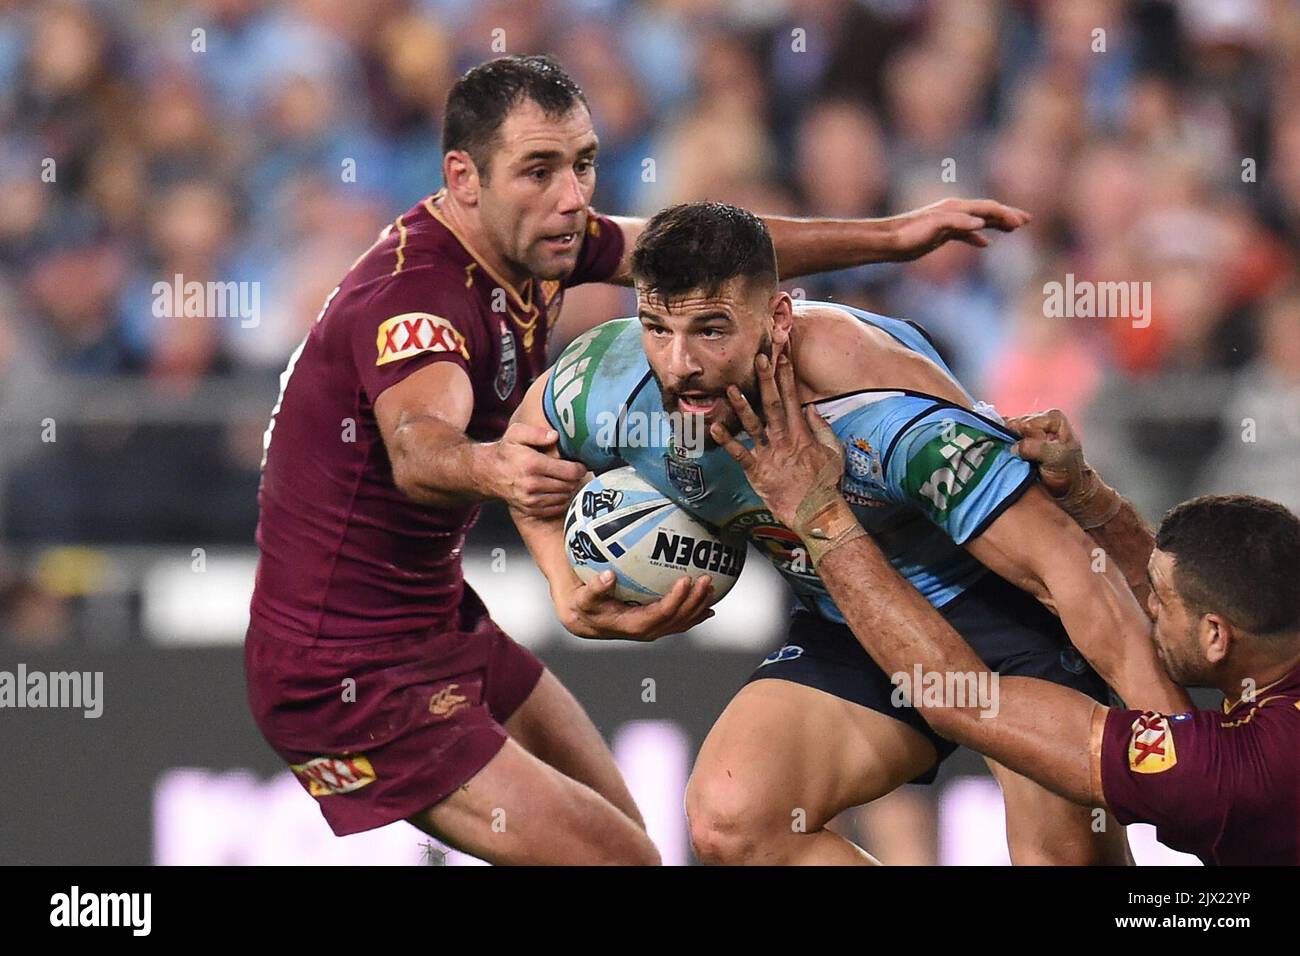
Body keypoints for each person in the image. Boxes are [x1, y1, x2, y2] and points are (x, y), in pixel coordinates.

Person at [244, 55, 1029, 865]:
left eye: (583, 164)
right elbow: (417, 445)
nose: (573, 196)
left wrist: (892, 238)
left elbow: (711, 259)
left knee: (629, 847)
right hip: (341, 669)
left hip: (439, 622)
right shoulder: (418, 296)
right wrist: (497, 468)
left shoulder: (533, 238)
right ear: (462, 177)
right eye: (540, 170)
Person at [511, 201, 1179, 865]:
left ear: (776, 318)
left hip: (999, 612)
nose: (679, 363)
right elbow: (524, 451)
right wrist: (561, 582)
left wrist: (1191, 762)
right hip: (851, 610)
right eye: (657, 327)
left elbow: (1067, 571)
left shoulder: (877, 399)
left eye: (711, 330)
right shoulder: (608, 383)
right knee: (733, 820)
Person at [712, 354, 1300, 865]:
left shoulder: (1226, 773)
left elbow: (963, 703)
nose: (1140, 608)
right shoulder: (1265, 673)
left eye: (1159, 605)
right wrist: (1088, 495)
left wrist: (822, 516)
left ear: (1218, 637)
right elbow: (1197, 590)